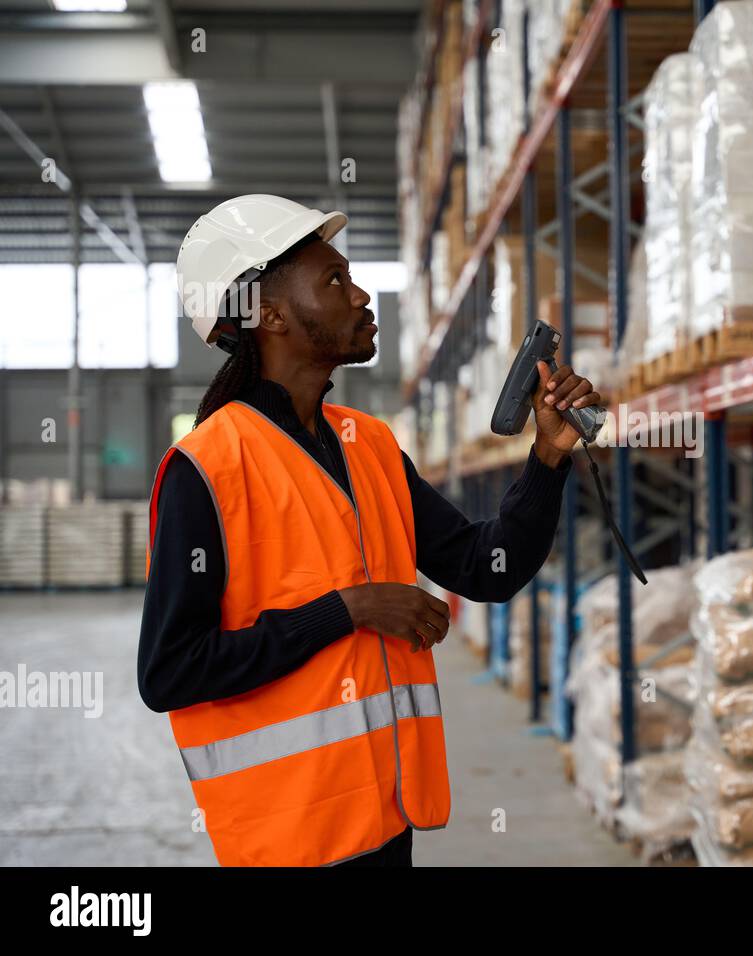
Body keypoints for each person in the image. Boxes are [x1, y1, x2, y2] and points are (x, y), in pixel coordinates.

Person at [138, 195, 600, 867]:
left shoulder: (370, 447)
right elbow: (169, 671)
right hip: (288, 842)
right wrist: (348, 610)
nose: (361, 295)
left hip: (384, 821)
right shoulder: (206, 468)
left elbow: (486, 568)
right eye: (334, 280)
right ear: (266, 314)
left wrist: (549, 457)